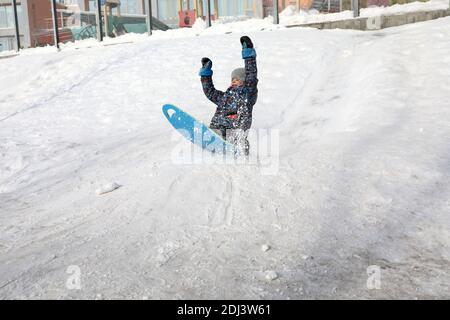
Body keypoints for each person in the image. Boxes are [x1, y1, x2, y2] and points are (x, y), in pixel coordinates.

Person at [199, 36, 258, 156]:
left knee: (238, 138)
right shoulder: (225, 96)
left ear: (244, 81)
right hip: (220, 127)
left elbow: (251, 74)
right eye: (233, 79)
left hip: (237, 128)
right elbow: (210, 92)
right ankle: (214, 139)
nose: (234, 81)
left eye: (237, 79)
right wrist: (205, 74)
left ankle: (242, 154)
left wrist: (248, 53)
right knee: (218, 128)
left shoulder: (248, 93)